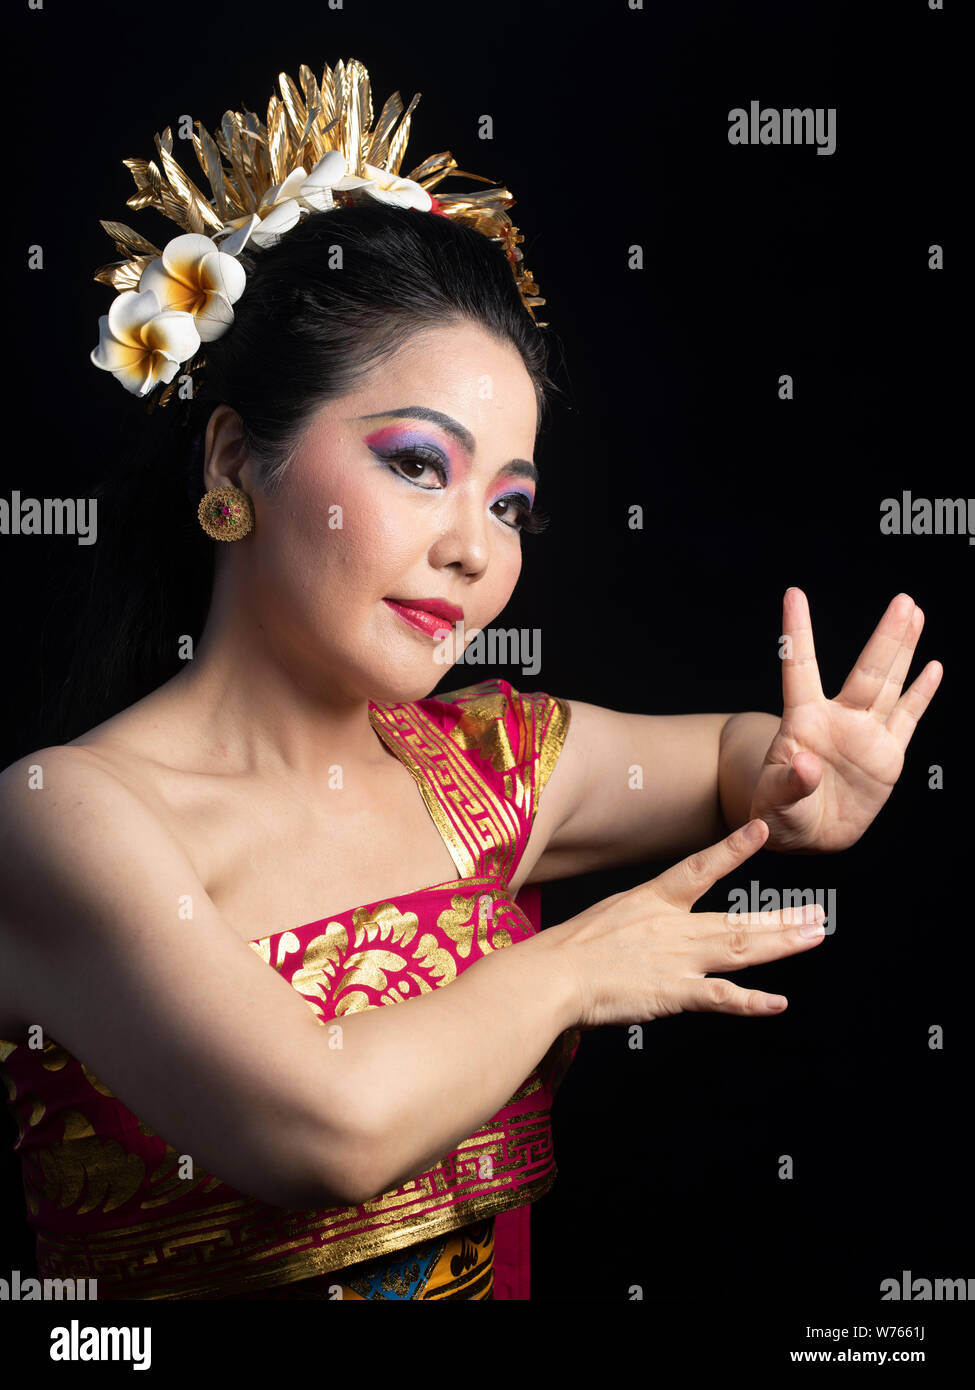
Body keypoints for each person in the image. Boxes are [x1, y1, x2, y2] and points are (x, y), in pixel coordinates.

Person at [0, 59, 942, 1302]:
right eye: (415, 464)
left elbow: (725, 761)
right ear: (238, 456)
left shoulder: (494, 767)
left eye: (511, 502)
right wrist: (573, 967)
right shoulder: (66, 815)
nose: (475, 547)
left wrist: (796, 773)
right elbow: (325, 1128)